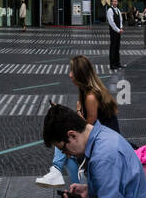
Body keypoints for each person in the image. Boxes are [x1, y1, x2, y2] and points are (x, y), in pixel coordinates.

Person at [36, 56, 121, 187]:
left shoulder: (91, 97)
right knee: (66, 146)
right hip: (101, 137)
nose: (70, 75)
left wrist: (73, 113)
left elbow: (87, 128)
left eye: (72, 71)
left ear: (80, 74)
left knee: (66, 144)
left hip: (105, 141)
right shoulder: (86, 92)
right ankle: (61, 175)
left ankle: (59, 173)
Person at [106, 0, 123, 72]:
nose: (115, 3)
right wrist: (118, 30)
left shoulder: (118, 10)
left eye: (116, 1)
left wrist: (121, 28)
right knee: (113, 47)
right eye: (114, 1)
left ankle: (117, 63)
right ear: (111, 2)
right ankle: (112, 64)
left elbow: (121, 20)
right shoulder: (110, 10)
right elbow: (111, 22)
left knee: (117, 47)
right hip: (113, 31)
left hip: (119, 31)